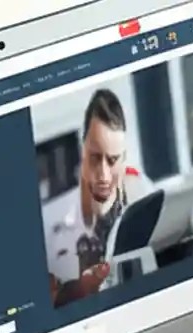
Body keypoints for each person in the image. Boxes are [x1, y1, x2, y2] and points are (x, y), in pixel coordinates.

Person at [45, 88, 151, 307]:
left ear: (123, 158)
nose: (103, 175)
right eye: (95, 158)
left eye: (112, 160)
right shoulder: (56, 230)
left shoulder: (141, 192)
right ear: (83, 153)